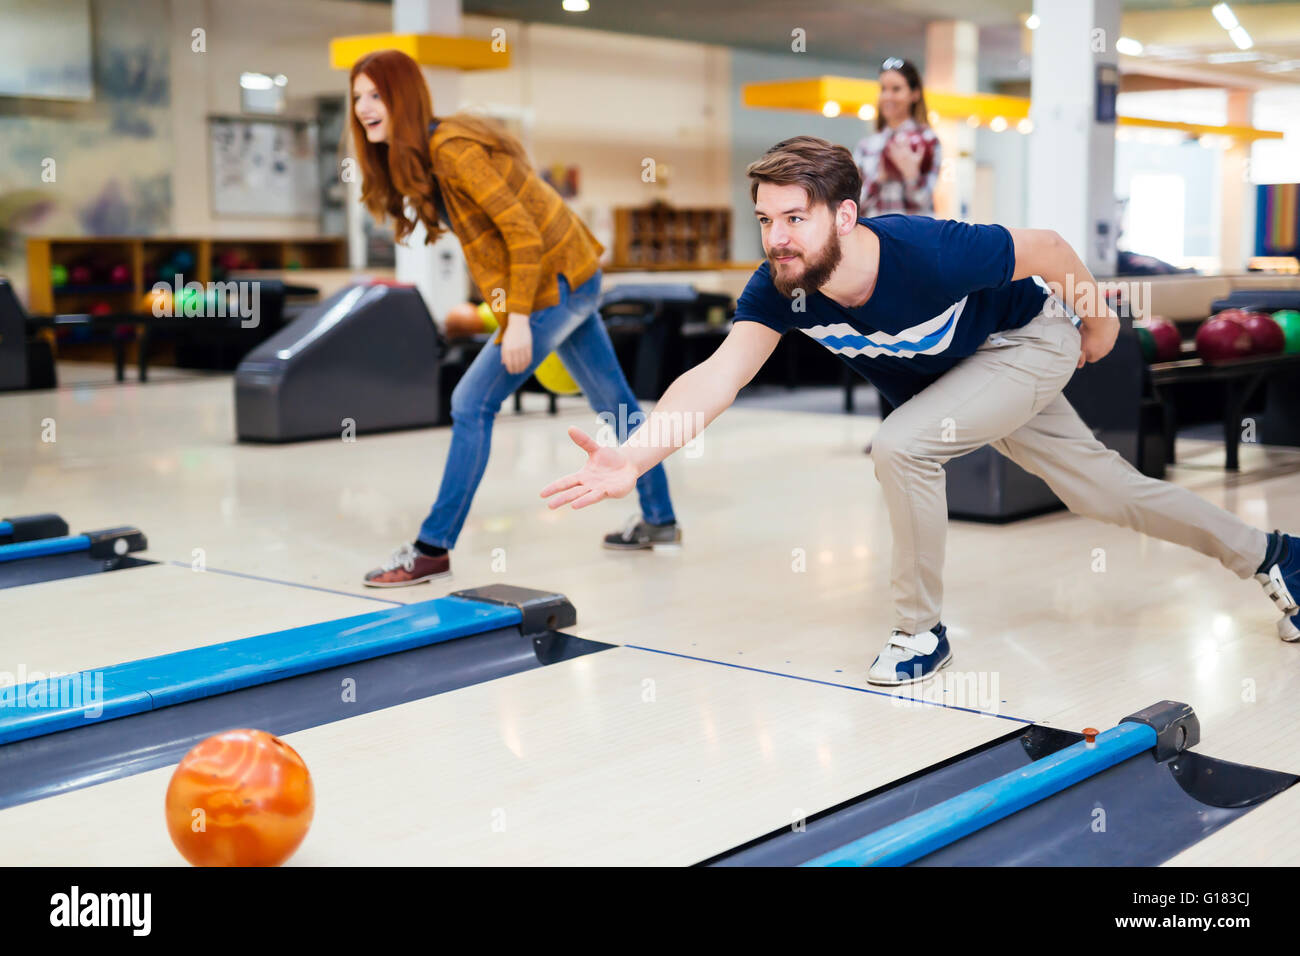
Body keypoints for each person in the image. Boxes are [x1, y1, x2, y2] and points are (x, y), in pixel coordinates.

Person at [540, 136, 1300, 685]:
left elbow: (1047, 246)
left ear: (843, 216)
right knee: (1103, 491)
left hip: (1025, 344)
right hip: (965, 379)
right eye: (765, 219)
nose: (776, 238)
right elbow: (719, 374)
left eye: (793, 218)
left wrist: (1099, 323)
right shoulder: (781, 288)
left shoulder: (926, 252)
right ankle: (1276, 555)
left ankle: (919, 633)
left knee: (901, 446)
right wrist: (636, 455)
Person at [349, 49, 679, 587]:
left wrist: (518, 320)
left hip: (557, 280)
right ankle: (660, 518)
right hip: (570, 272)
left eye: (376, 95)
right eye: (357, 96)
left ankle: (432, 548)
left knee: (470, 401)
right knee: (614, 404)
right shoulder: (426, 159)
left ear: (403, 98)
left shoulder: (450, 150)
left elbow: (521, 233)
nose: (364, 107)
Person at [853, 58, 941, 218]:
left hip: (913, 238)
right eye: (883, 89)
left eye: (896, 89)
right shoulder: (867, 145)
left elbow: (923, 202)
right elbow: (854, 204)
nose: (888, 96)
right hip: (876, 235)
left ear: (914, 94)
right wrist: (880, 177)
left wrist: (911, 175)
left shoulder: (927, 140)